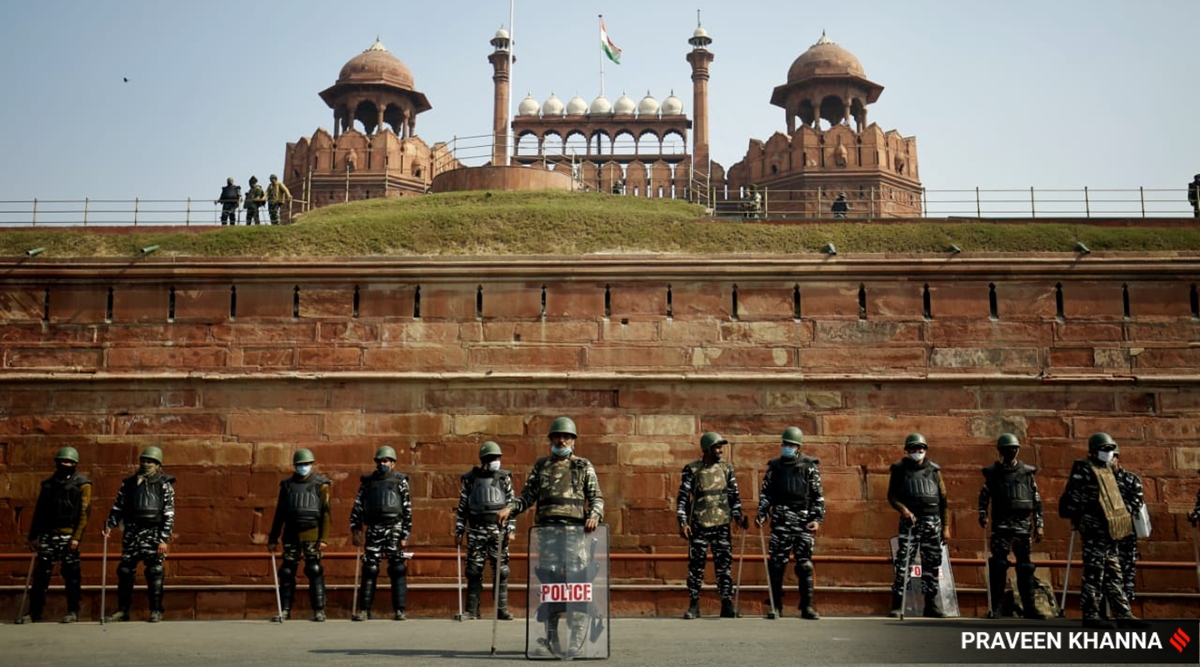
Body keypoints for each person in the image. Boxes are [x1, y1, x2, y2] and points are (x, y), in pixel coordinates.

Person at [496, 417, 604, 658]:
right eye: (557, 436)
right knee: (552, 587)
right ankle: (552, 636)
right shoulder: (541, 466)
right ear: (550, 439)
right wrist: (509, 509)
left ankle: (577, 639)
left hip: (575, 535)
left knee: (576, 586)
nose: (561, 440)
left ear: (574, 440)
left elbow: (596, 497)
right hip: (547, 535)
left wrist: (594, 515)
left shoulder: (583, 466)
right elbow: (526, 497)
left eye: (566, 436)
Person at [1058, 432, 1148, 629]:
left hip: (1111, 530)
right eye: (1104, 450)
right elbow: (1073, 498)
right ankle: (1091, 614)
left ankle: (1123, 613)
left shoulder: (1108, 472)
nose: (1108, 454)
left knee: (1114, 572)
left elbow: (1122, 501)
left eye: (1110, 450)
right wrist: (1086, 515)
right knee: (1095, 571)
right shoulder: (1084, 469)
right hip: (1094, 529)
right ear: (1093, 451)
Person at [756, 426, 825, 620]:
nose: (788, 447)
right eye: (785, 444)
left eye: (792, 445)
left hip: (803, 522)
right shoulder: (775, 467)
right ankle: (776, 606)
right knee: (777, 564)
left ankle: (807, 607)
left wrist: (817, 519)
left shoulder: (809, 467)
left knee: (804, 565)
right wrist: (762, 514)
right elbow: (766, 494)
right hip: (780, 522)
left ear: (798, 447)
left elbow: (817, 496)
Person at [676, 432, 747, 620]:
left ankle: (727, 604)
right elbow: (682, 499)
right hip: (699, 524)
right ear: (707, 449)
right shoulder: (692, 470)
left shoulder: (726, 469)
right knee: (696, 567)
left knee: (724, 566)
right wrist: (683, 522)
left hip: (722, 524)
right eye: (717, 447)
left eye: (720, 447)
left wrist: (739, 517)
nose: (720, 451)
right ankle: (694, 604)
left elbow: (734, 496)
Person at [17, 447, 92, 624]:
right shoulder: (49, 485)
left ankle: (73, 611)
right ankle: (34, 612)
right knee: (41, 575)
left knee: (71, 575)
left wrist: (77, 537)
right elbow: (40, 512)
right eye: (62, 461)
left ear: (74, 464)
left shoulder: (82, 484)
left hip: (69, 535)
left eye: (69, 462)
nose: (65, 464)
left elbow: (84, 513)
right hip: (48, 534)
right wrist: (33, 536)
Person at [102, 446, 175, 622]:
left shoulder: (164, 484)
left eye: (150, 461)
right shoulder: (128, 483)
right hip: (132, 532)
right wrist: (110, 524)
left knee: (155, 571)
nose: (146, 464)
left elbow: (169, 513)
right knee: (125, 570)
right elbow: (118, 506)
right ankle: (123, 610)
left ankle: (156, 610)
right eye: (143, 460)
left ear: (158, 465)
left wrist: (164, 539)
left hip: (153, 532)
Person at [978, 433, 1045, 619]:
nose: (1011, 452)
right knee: (998, 565)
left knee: (1025, 566)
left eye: (1014, 449)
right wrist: (982, 514)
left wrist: (1039, 525)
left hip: (1022, 524)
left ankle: (1029, 607)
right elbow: (984, 497)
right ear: (1000, 452)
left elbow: (1037, 501)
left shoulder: (1027, 474)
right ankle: (995, 607)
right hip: (1001, 524)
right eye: (1007, 450)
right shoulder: (993, 473)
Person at [887, 433, 949, 618]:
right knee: (904, 562)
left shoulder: (935, 471)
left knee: (932, 563)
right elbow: (892, 496)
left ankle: (931, 605)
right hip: (910, 522)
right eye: (913, 449)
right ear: (907, 451)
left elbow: (944, 500)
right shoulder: (899, 470)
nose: (917, 452)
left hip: (932, 523)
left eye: (920, 448)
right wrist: (903, 510)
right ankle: (898, 605)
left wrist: (946, 527)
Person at [454, 441, 516, 620]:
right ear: (484, 460)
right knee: (473, 570)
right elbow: (463, 507)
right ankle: (472, 610)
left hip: (498, 530)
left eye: (498, 457)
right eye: (493, 458)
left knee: (501, 570)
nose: (497, 461)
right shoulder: (470, 479)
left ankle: (501, 609)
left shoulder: (504, 478)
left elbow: (512, 505)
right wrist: (459, 531)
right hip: (475, 530)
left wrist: (511, 529)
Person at [268, 448, 332, 622]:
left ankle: (319, 610)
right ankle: (285, 609)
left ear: (311, 464)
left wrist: (323, 538)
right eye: (300, 464)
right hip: (291, 535)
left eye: (306, 464)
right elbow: (279, 513)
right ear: (295, 466)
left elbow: (326, 513)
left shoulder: (321, 485)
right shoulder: (287, 486)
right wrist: (273, 538)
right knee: (287, 571)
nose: (303, 467)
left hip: (312, 534)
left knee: (314, 570)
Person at [350, 445, 413, 621]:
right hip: (374, 528)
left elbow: (407, 509)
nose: (382, 464)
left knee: (397, 568)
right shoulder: (368, 482)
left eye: (385, 461)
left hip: (394, 528)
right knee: (370, 568)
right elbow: (358, 506)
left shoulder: (400, 481)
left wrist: (405, 534)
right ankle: (365, 610)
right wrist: (356, 529)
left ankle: (400, 610)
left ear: (393, 463)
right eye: (379, 461)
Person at [1111, 449, 1145, 608]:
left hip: (1126, 532)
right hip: (1107, 533)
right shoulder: (1099, 480)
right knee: (1106, 571)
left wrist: (1122, 513)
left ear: (1117, 458)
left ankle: (1126, 608)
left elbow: (1137, 502)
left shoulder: (1130, 479)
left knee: (1127, 570)